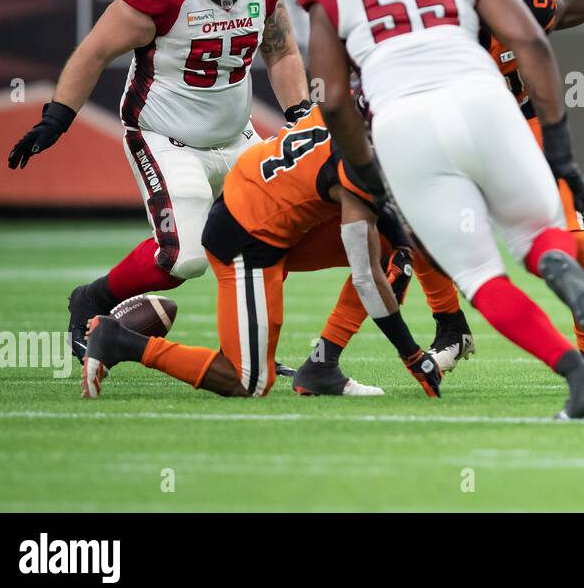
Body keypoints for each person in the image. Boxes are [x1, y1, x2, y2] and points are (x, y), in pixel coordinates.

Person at [296, 0, 584, 419]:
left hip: (404, 126)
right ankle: (552, 264)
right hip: (484, 100)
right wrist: (561, 147)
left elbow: (334, 97)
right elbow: (532, 44)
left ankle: (577, 375)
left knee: (478, 274)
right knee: (539, 233)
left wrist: (367, 172)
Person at [7, 0, 310, 359]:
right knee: (183, 258)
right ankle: (94, 298)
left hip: (238, 135)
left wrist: (301, 117)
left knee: (278, 231)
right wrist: (57, 118)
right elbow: (93, 52)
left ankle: (255, 356)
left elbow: (282, 50)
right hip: (165, 137)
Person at [81, 105, 441, 400]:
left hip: (270, 210)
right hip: (247, 239)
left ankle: (322, 366)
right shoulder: (361, 162)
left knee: (390, 245)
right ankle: (121, 342)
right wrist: (412, 355)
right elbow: (366, 277)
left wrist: (405, 246)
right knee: (247, 380)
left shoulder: (344, 106)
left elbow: (379, 200)